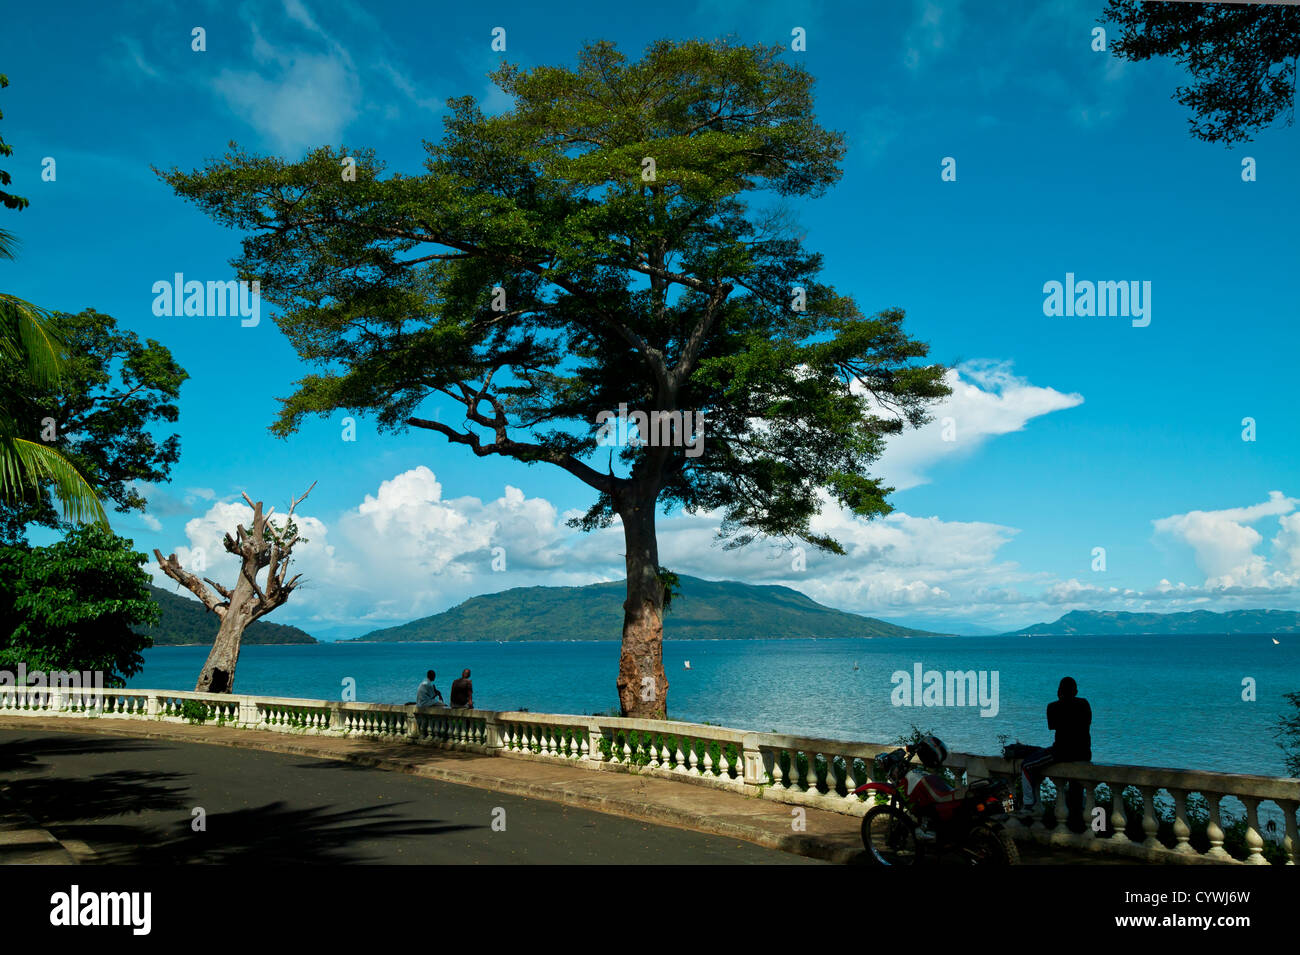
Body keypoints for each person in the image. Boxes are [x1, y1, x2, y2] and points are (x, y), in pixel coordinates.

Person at [1020, 677, 1091, 825]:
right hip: (1083, 753)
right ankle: (1077, 821)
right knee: (1076, 790)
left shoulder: (1053, 707)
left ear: (1059, 691)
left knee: (1026, 765)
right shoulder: (1084, 704)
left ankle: (1028, 805)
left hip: (1062, 752)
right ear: (1076, 691)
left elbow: (1052, 725)